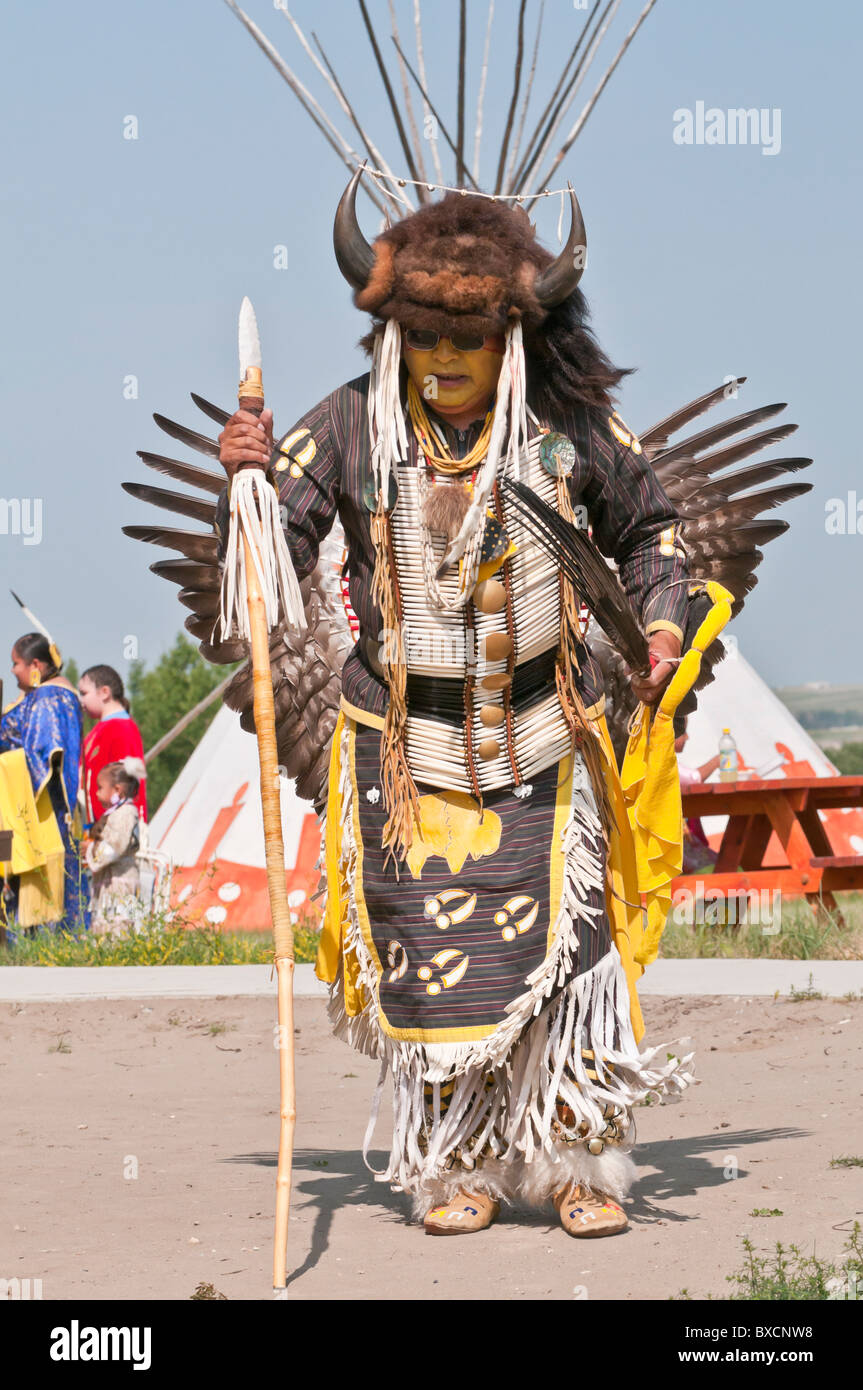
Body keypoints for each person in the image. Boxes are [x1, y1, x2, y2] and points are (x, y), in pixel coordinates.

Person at [214, 181, 700, 1239]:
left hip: (540, 737)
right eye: (422, 332)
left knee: (567, 957)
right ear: (390, 328)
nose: (444, 358)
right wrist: (248, 489)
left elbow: (655, 531)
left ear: (514, 333)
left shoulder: (569, 428)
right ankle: (456, 1164)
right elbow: (272, 552)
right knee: (430, 965)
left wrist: (658, 629)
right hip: (400, 748)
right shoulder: (346, 424)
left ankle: (577, 1160)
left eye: (469, 336)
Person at [0, 632, 88, 933]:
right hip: (25, 806)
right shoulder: (48, 694)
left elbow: (43, 751)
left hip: (34, 809)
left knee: (25, 870)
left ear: (35, 664)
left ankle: (27, 941)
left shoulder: (49, 697)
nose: (12, 671)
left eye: (16, 664)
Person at [85, 758, 145, 936]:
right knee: (108, 922)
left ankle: (118, 957)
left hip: (120, 880)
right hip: (112, 878)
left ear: (117, 790)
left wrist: (91, 849)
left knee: (118, 925)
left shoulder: (125, 814)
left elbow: (115, 847)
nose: (96, 793)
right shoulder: (118, 813)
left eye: (100, 788)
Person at [78, 665, 147, 823]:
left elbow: (128, 785)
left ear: (104, 692)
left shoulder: (122, 729)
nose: (81, 701)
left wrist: (120, 831)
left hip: (115, 831)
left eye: (84, 693)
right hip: (94, 828)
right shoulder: (99, 729)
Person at [676, 723, 720, 874]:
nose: (687, 737)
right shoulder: (663, 762)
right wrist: (717, 761)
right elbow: (693, 778)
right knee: (716, 867)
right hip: (676, 844)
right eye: (683, 731)